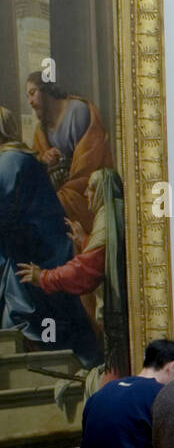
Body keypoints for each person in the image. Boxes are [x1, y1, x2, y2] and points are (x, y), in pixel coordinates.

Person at [0, 105, 102, 369]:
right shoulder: (18, 157)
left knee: (24, 308)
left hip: (37, 251)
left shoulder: (10, 161)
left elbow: (5, 211)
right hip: (36, 247)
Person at [17, 167, 130, 382]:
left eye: (91, 189)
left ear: (102, 191)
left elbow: (85, 270)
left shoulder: (107, 217)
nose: (86, 194)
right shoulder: (112, 213)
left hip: (118, 314)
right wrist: (85, 241)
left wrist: (44, 277)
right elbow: (107, 255)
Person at [25, 73, 115, 237]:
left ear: (46, 90)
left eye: (32, 93)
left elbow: (89, 163)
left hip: (85, 189)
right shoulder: (42, 128)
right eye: (28, 96)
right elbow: (36, 166)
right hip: (62, 191)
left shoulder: (77, 112)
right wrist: (44, 160)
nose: (30, 102)